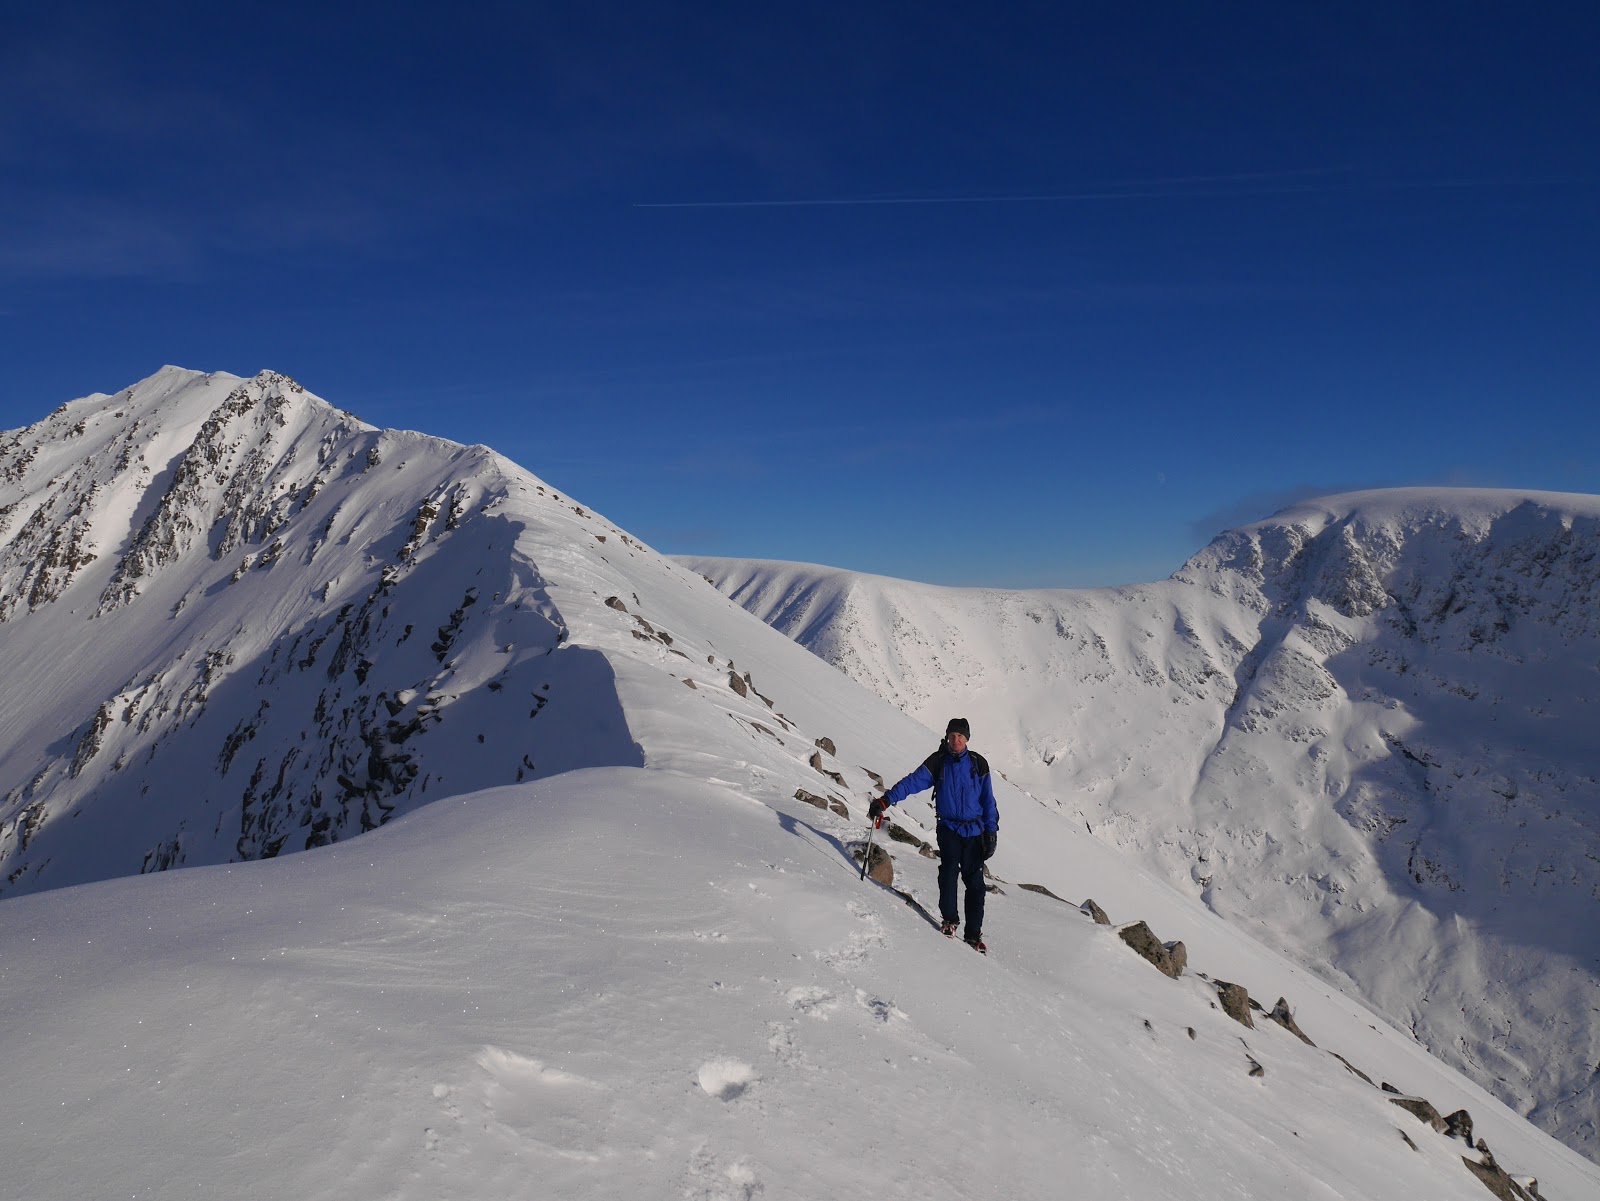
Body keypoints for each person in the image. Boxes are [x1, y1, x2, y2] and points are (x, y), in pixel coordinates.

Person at [869, 718, 999, 951]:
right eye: (952, 736)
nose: (956, 740)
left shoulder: (978, 764)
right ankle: (949, 920)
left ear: (967, 739)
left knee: (975, 883)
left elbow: (988, 801)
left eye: (960, 736)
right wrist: (886, 800)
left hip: (974, 831)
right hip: (948, 828)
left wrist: (991, 831)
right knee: (948, 872)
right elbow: (912, 782)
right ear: (947, 737)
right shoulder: (938, 762)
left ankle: (973, 935)